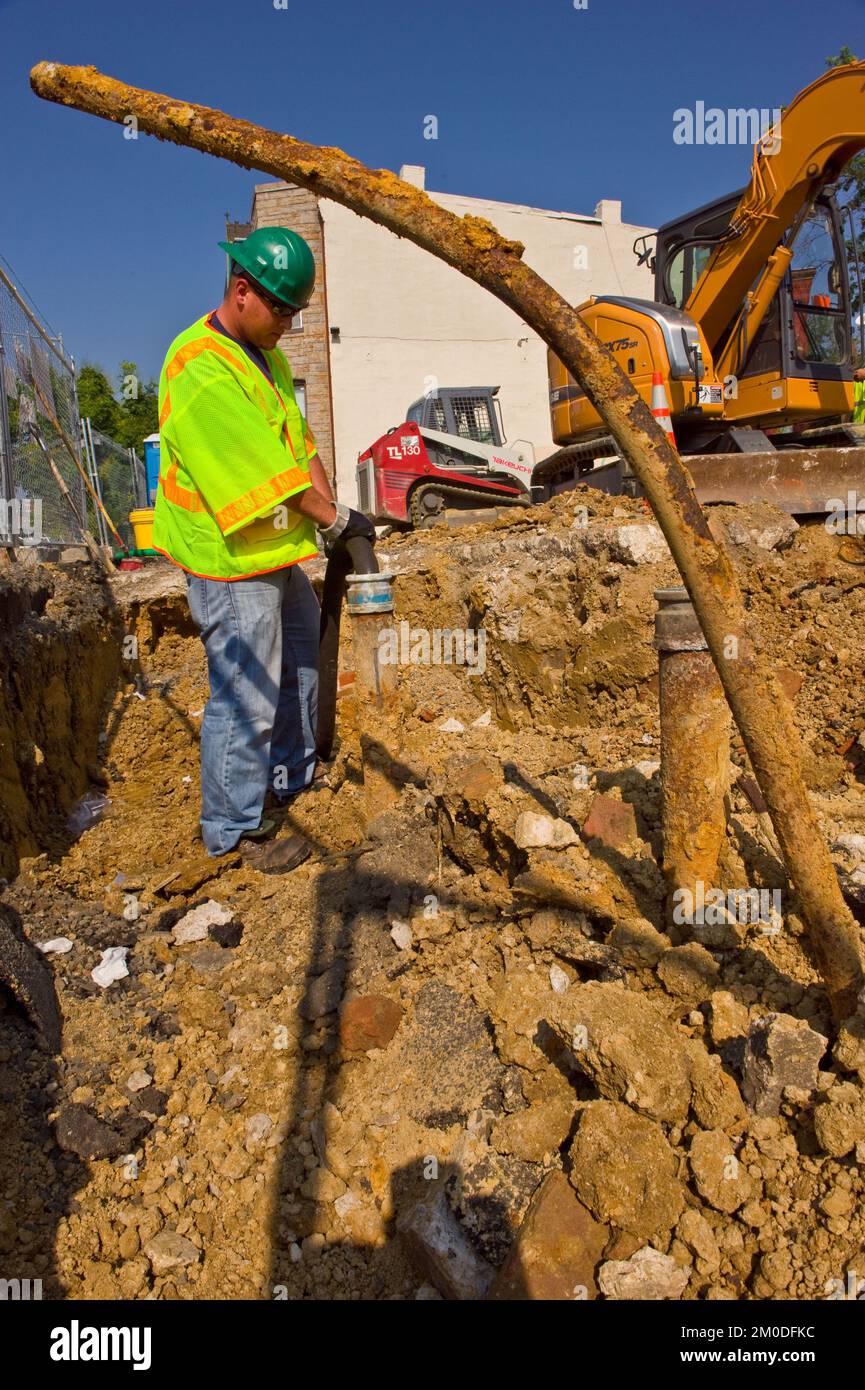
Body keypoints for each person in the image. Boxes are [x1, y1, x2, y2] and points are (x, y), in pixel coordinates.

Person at [152, 227, 374, 872]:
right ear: (241, 289)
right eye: (280, 309)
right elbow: (259, 478)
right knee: (245, 692)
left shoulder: (268, 359)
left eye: (295, 311)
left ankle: (291, 781)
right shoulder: (198, 363)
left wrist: (335, 518)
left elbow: (300, 451)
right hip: (226, 561)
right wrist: (332, 519)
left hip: (275, 554)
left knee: (304, 668)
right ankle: (232, 829)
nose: (288, 322)